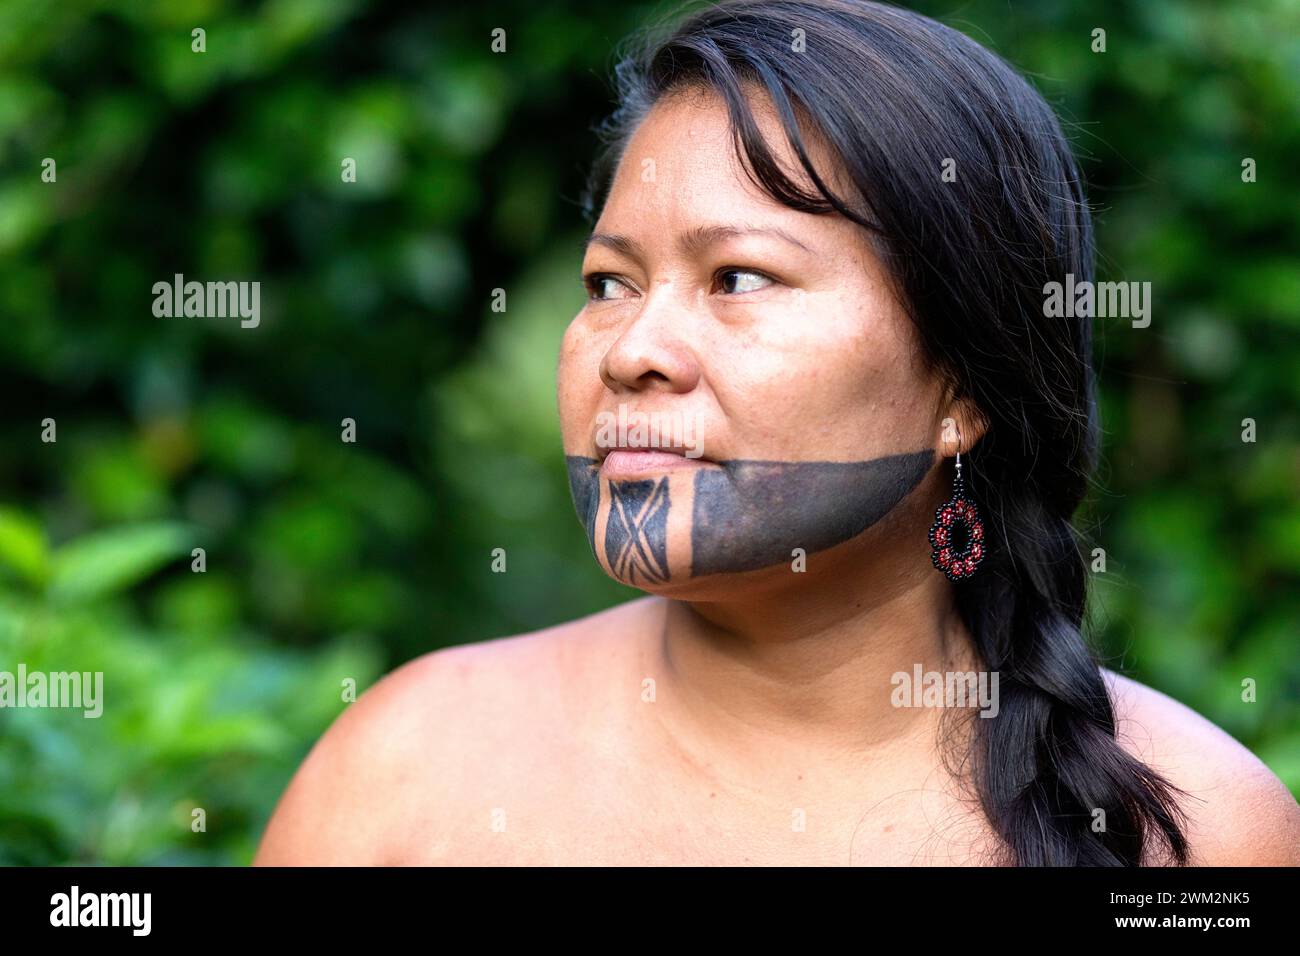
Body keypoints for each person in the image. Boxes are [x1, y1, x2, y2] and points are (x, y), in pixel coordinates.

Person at [255, 0, 1300, 866]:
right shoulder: (410, 764)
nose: (631, 350)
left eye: (738, 277)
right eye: (608, 281)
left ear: (961, 388)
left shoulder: (1199, 833)